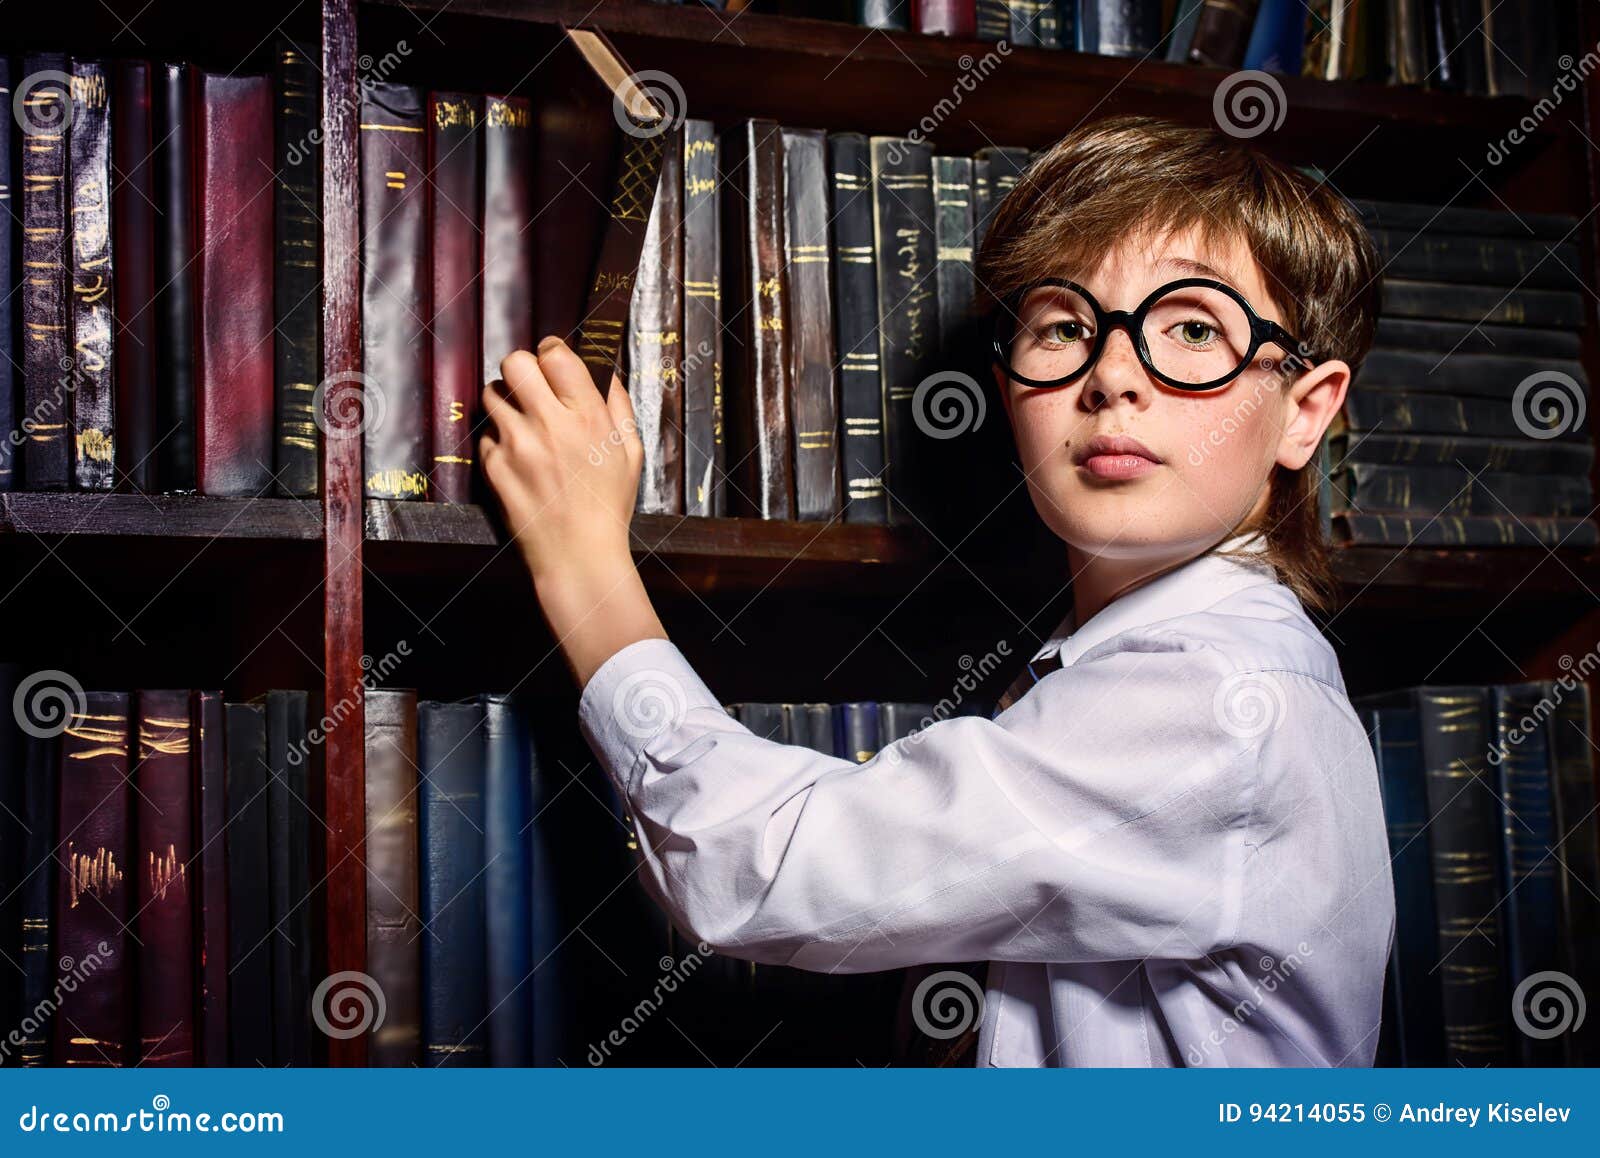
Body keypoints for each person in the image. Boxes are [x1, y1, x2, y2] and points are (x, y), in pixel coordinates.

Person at [478, 114, 1395, 1067]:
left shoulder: (1216, 692)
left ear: (1306, 411)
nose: (1113, 376)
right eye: (1064, 327)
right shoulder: (1117, 664)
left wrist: (583, 564)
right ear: (1008, 394)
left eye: (1195, 327)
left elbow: (769, 868)